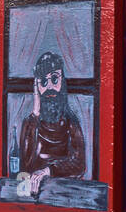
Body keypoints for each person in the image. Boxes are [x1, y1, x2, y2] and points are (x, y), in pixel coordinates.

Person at [19, 50, 87, 196]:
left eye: (54, 79)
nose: (49, 87)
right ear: (37, 87)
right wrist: (36, 111)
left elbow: (79, 164)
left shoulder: (71, 123)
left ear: (62, 82)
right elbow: (24, 165)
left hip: (64, 193)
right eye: (43, 82)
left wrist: (48, 171)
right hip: (35, 195)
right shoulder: (31, 123)